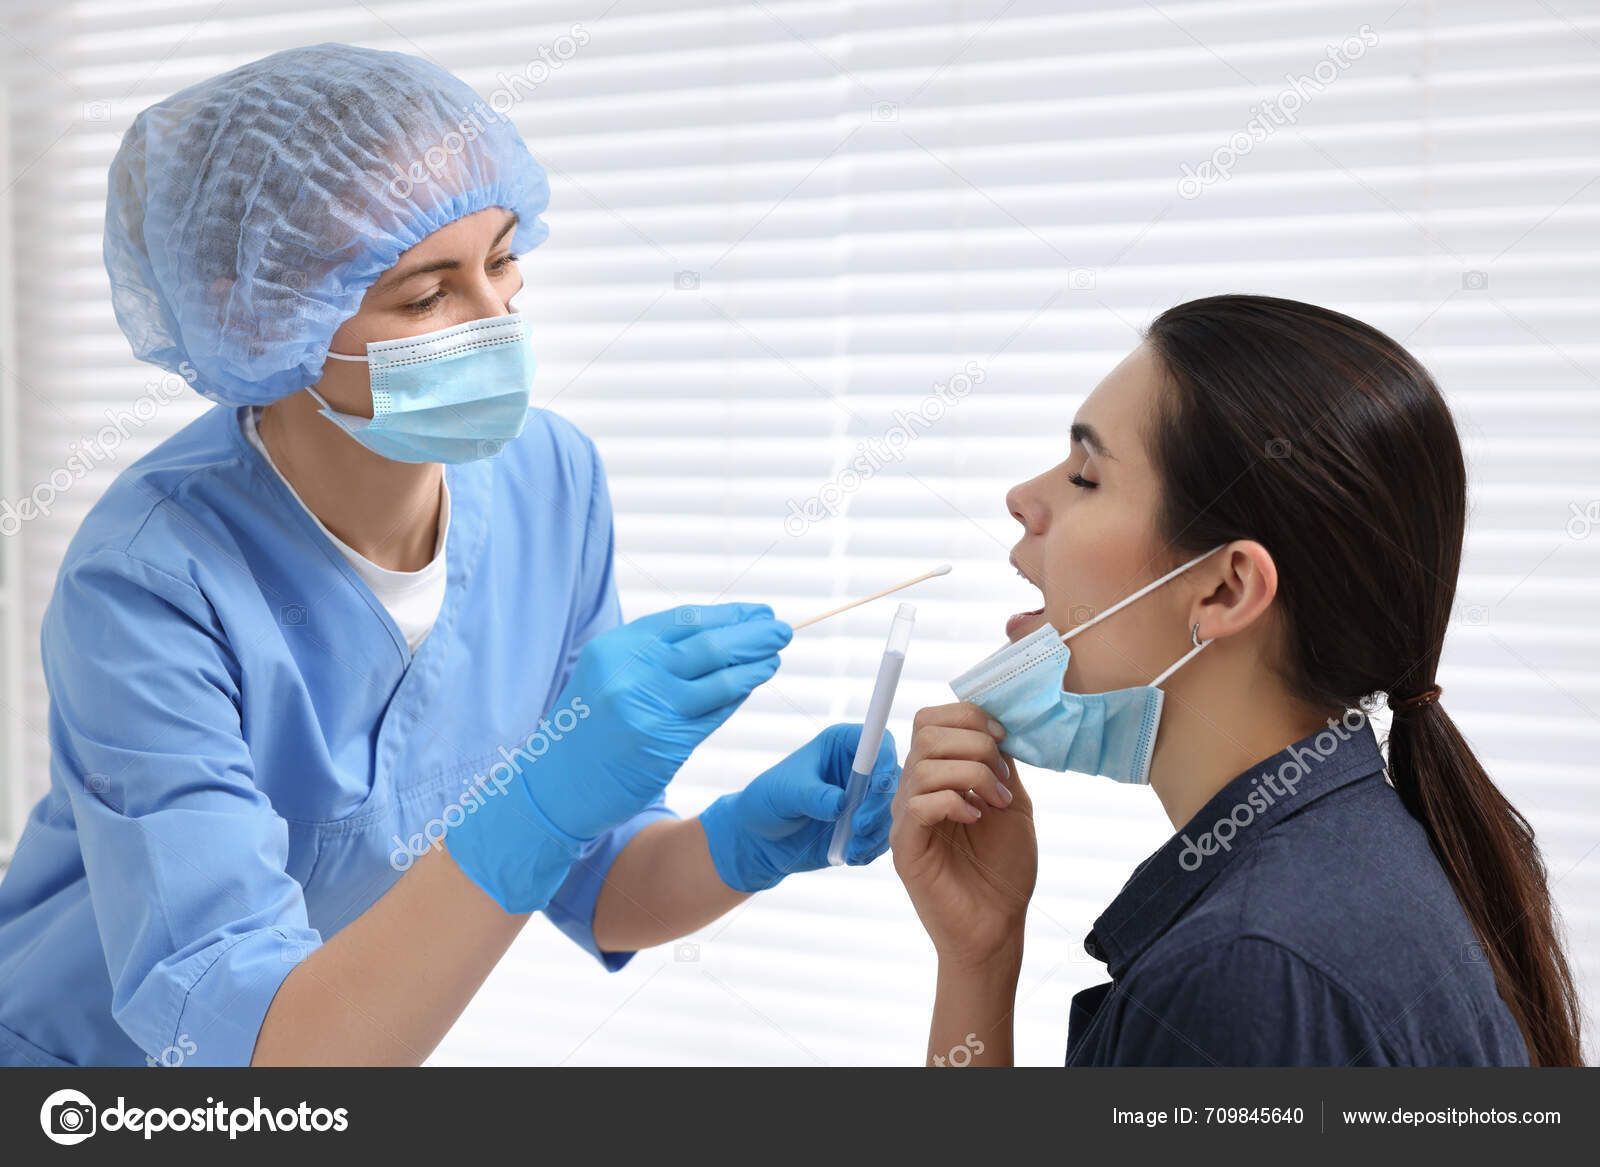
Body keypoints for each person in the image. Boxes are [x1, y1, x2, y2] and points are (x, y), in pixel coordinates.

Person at [0, 44, 898, 1068]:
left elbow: (591, 873)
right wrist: (542, 798)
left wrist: (738, 844)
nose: (496, 321)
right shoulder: (152, 580)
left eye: (504, 260)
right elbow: (248, 1045)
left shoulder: (549, 483)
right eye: (426, 297)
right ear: (255, 314)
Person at [891, 294, 1583, 1066]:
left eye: (1086, 475)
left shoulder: (1243, 973)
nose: (1023, 498)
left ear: (1225, 590)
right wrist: (978, 957)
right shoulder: (1351, 862)